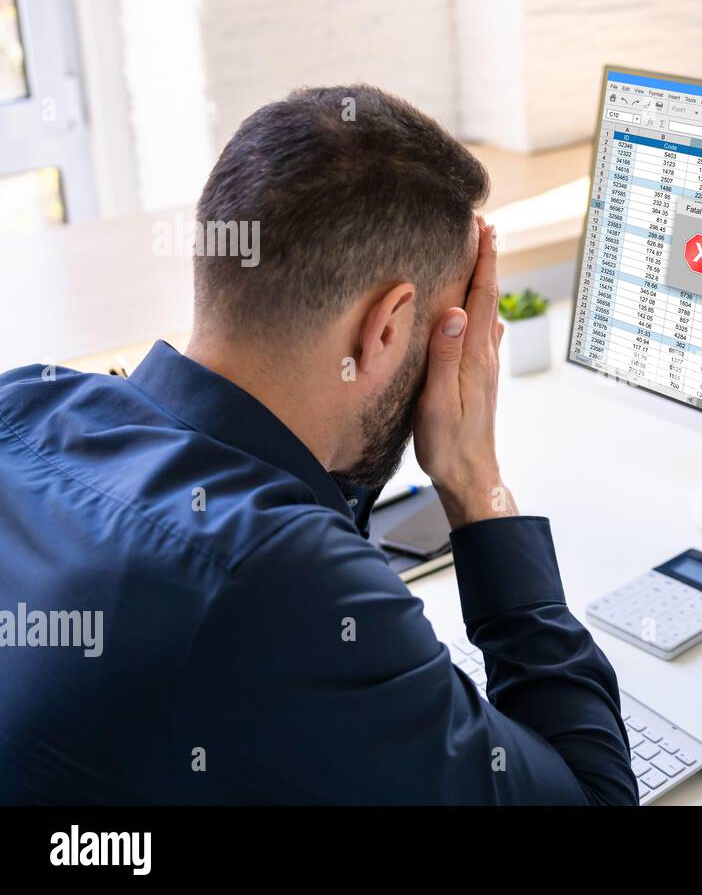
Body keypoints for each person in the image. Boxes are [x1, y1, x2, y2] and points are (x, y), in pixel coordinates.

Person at [0, 86, 637, 804]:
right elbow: (595, 797)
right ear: (388, 330)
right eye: (451, 332)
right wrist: (474, 479)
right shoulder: (287, 583)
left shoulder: (20, 403)